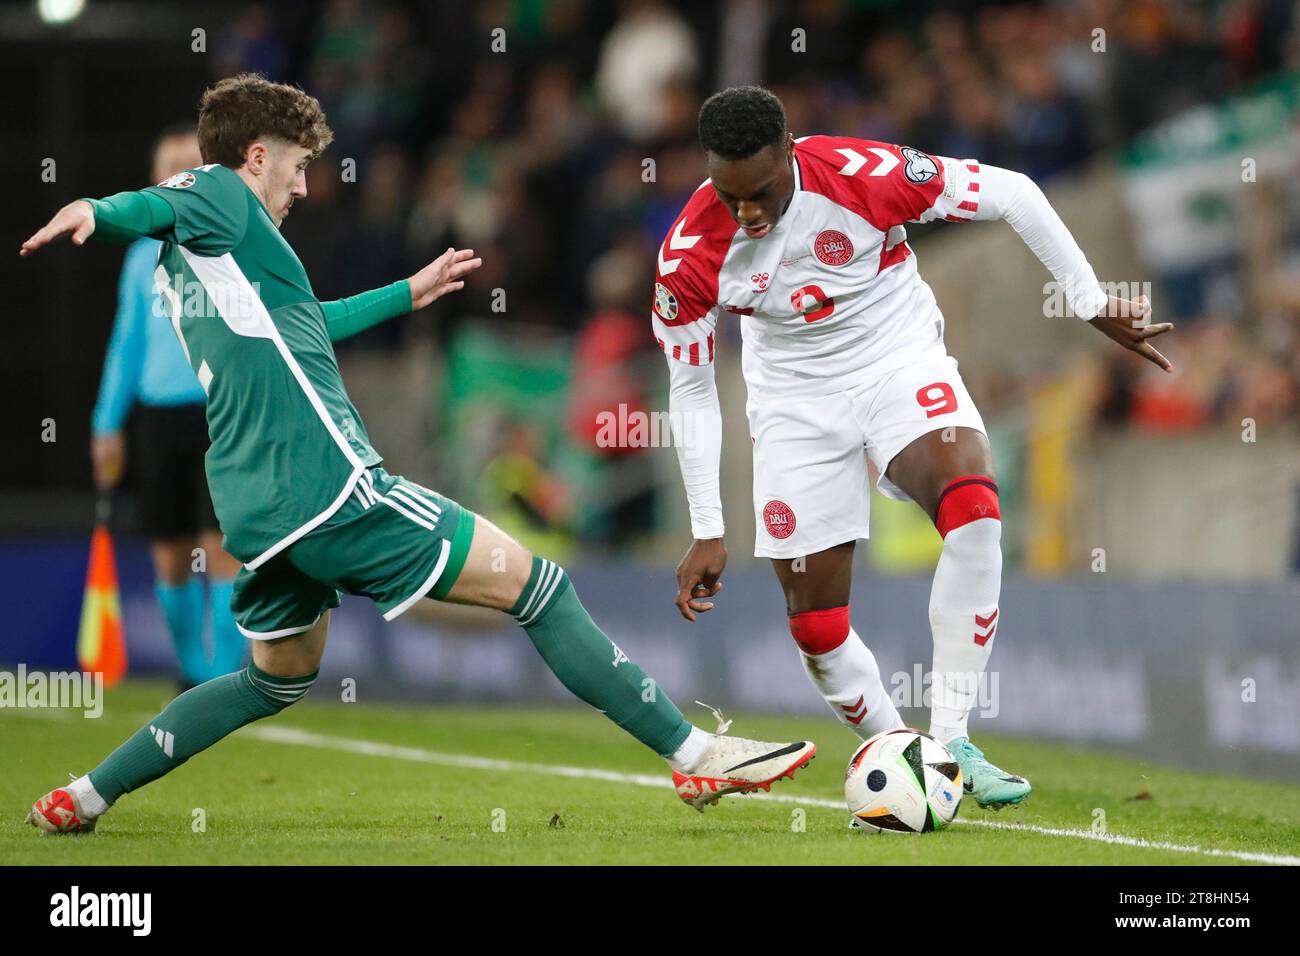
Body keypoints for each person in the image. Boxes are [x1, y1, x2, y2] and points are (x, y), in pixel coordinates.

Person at [21, 74, 814, 835]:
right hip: (329, 485)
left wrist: (408, 290)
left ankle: (85, 794)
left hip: (257, 507)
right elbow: (156, 200)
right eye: (297, 167)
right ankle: (697, 756)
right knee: (539, 586)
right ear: (257, 155)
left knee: (275, 676)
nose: (302, 188)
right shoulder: (220, 194)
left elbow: (303, 325)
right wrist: (94, 208)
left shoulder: (208, 262)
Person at [657, 86, 1174, 810]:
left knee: (974, 507)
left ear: (791, 152)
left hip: (895, 358)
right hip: (792, 404)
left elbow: (1015, 192)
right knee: (816, 624)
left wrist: (1086, 299)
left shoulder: (863, 175)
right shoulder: (688, 255)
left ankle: (956, 737)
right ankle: (913, 760)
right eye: (729, 192)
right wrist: (707, 527)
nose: (748, 211)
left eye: (763, 190)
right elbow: (692, 390)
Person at [90, 123, 245, 689]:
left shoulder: (228, 248)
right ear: (155, 182)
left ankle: (226, 676)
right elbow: (124, 344)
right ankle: (193, 671)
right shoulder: (138, 259)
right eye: (169, 169)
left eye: (191, 167)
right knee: (171, 552)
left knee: (223, 546)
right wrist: (105, 424)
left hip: (219, 414)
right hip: (157, 420)